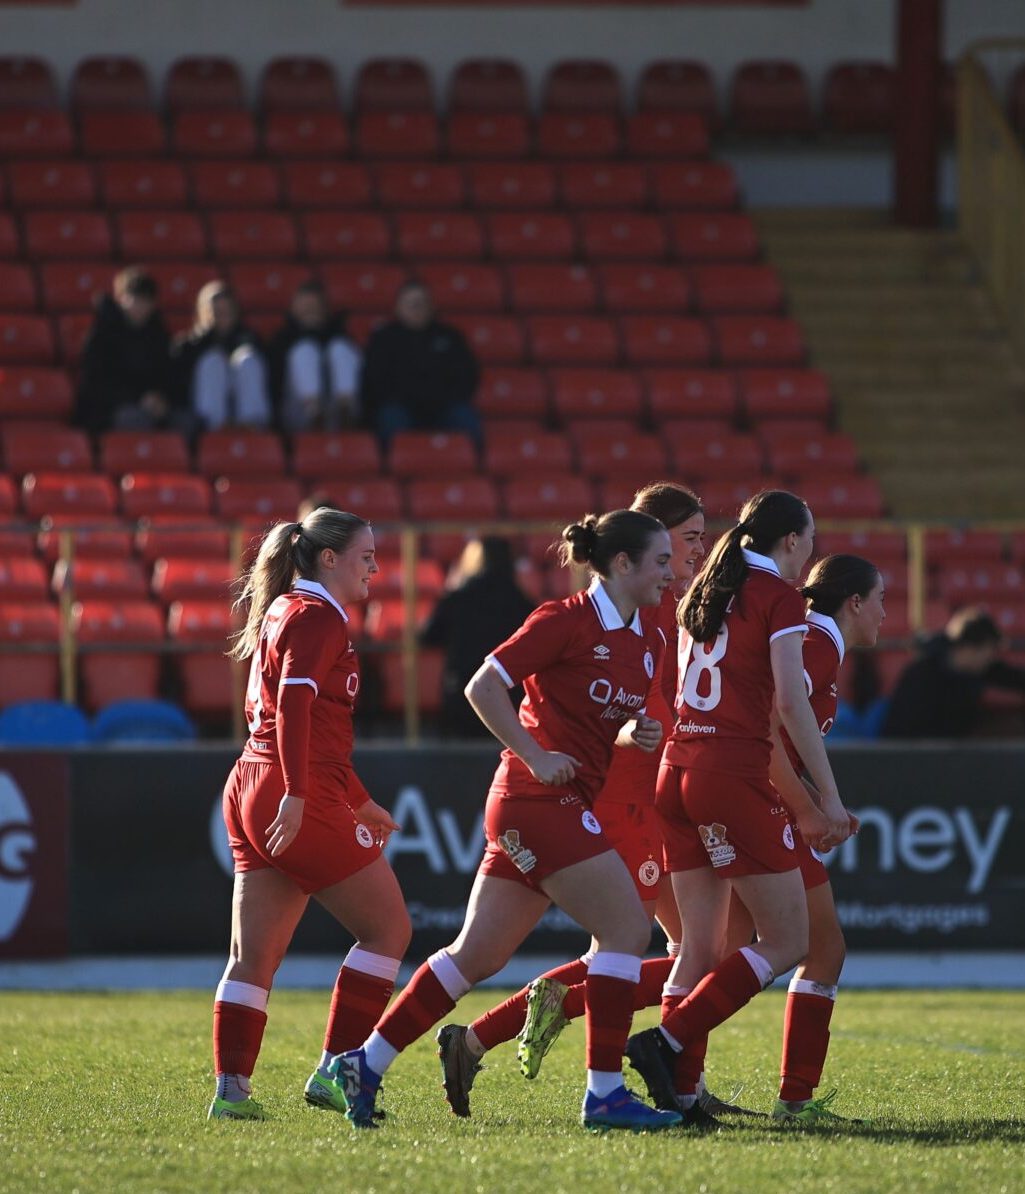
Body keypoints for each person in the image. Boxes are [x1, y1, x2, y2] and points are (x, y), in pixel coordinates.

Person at [333, 511, 683, 1133]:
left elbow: (599, 716)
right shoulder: (565, 619)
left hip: (544, 804)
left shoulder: (646, 638)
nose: (671, 571)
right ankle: (604, 1094)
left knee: (477, 954)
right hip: (535, 800)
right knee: (628, 929)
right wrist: (536, 753)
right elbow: (483, 687)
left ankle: (364, 1061)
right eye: (661, 560)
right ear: (622, 564)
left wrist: (630, 732)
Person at [438, 483, 728, 1118]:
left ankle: (672, 1081)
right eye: (688, 539)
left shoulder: (669, 602)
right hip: (627, 795)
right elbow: (620, 706)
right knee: (685, 951)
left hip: (649, 791)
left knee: (692, 951)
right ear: (644, 545)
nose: (699, 550)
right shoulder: (639, 605)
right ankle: (646, 1084)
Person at [623, 490, 857, 1123]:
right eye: (809, 539)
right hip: (731, 774)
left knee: (699, 950)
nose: (811, 552)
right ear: (790, 543)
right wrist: (827, 797)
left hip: (677, 770)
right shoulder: (779, 598)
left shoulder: (705, 588)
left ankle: (686, 1092)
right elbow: (789, 703)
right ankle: (666, 1045)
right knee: (788, 940)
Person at [207, 508, 413, 1121]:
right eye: (365, 556)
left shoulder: (283, 609)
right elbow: (296, 705)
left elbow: (310, 724)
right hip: (289, 787)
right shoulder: (319, 617)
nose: (375, 567)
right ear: (329, 559)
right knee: (389, 930)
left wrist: (359, 801)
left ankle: (232, 1092)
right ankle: (336, 1070)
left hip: (250, 779)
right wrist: (299, 795)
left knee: (253, 954)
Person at [765, 554, 885, 1123]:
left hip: (758, 801)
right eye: (880, 599)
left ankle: (578, 990)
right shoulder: (815, 642)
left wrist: (812, 803)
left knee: (714, 958)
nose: (886, 614)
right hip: (757, 806)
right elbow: (757, 732)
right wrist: (807, 808)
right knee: (822, 948)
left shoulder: (817, 644)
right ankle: (795, 1099)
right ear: (854, 602)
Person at [878, 606, 1025, 740]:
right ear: (969, 648)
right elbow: (905, 732)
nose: (991, 659)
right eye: (989, 652)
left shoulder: (976, 669)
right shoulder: (921, 674)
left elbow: (1023, 679)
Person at [420, 536, 535, 740]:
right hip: (509, 703)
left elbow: (427, 637)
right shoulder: (523, 602)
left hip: (461, 696)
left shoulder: (457, 597)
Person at [359, 280, 482, 451]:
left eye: (422, 303)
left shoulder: (449, 336)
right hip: (401, 407)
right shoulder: (384, 339)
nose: (417, 308)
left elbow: (467, 375)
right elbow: (373, 380)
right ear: (398, 307)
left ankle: (475, 471)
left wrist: (443, 397)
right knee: (390, 418)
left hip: (444, 406)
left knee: (465, 417)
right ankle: (391, 472)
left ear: (431, 306)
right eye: (411, 304)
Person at [75, 268, 187, 436]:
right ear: (121, 298)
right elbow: (96, 384)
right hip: (109, 410)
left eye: (147, 301)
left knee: (186, 422)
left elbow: (168, 375)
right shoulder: (102, 334)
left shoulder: (159, 334)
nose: (141, 307)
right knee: (135, 419)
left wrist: (162, 399)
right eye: (136, 300)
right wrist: (138, 399)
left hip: (151, 405)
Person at [174, 282, 269, 432]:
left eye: (226, 311)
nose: (221, 317)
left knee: (247, 359)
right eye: (215, 312)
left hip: (242, 410)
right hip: (201, 416)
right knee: (213, 361)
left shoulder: (251, 340)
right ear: (202, 312)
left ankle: (252, 427)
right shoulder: (189, 345)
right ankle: (215, 428)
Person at [268, 281, 358, 434]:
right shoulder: (283, 338)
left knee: (340, 348)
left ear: (324, 308)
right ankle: (314, 413)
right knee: (305, 350)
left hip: (335, 408)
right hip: (298, 413)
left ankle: (345, 412)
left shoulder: (338, 334)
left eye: (313, 305)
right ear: (294, 307)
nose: (309, 309)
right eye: (304, 305)